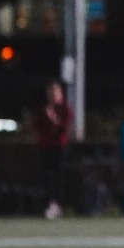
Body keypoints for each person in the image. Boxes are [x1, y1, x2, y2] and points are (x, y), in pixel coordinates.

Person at [33, 79, 73, 219]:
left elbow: (63, 127)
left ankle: (59, 206)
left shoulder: (65, 109)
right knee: (46, 177)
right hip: (45, 146)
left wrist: (54, 118)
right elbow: (37, 126)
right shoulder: (43, 109)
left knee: (58, 176)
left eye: (54, 93)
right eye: (50, 94)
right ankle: (48, 204)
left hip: (59, 147)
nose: (52, 96)